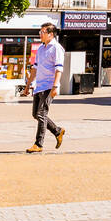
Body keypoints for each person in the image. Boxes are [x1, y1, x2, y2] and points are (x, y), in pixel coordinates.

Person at [25, 23, 65, 153]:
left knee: (41, 114)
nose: (40, 34)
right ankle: (57, 131)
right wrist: (28, 85)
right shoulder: (41, 49)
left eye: (42, 32)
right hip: (39, 86)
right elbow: (35, 68)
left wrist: (55, 86)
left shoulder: (57, 48)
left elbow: (59, 69)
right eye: (40, 32)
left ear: (50, 34)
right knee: (35, 114)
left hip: (49, 85)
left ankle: (38, 144)